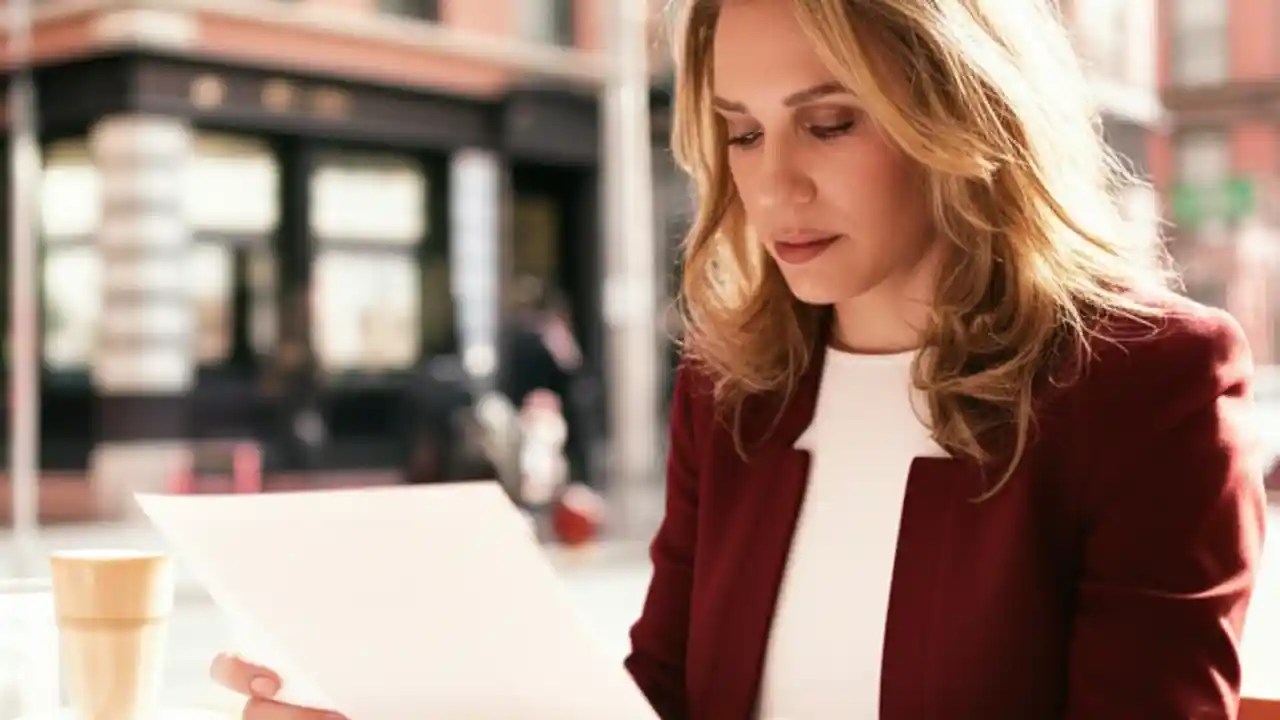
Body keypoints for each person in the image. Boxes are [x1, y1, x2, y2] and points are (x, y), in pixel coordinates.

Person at [209, 0, 1270, 717]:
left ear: (962, 117)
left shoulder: (1144, 386)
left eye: (829, 123)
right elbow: (657, 701)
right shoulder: (731, 393)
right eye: (743, 133)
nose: (771, 187)